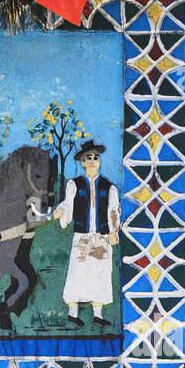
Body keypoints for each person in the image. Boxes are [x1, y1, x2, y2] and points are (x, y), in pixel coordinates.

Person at [56, 140, 120, 328]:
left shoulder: (109, 187)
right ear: (82, 163)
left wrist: (114, 231)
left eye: (95, 158)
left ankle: (98, 314)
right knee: (78, 272)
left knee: (100, 273)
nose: (92, 161)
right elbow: (68, 204)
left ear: (99, 161)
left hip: (101, 237)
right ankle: (73, 313)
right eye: (88, 158)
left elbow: (113, 211)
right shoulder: (74, 185)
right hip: (82, 237)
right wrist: (61, 211)